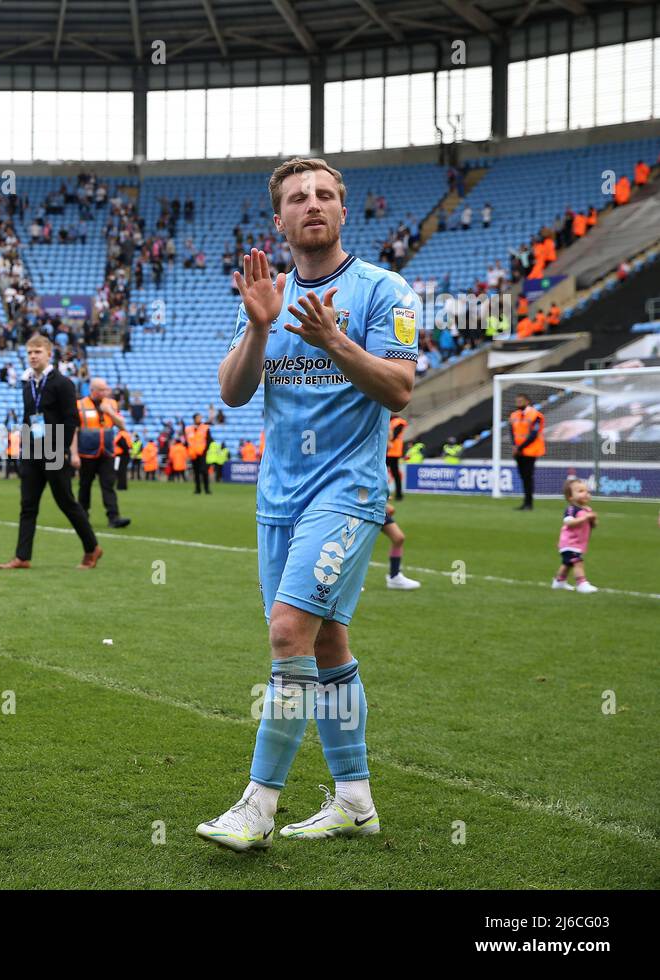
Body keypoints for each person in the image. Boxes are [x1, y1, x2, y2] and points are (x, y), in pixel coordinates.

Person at [198, 157, 418, 852]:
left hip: (347, 492)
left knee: (288, 634)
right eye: (298, 197)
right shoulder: (273, 291)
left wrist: (332, 339)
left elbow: (399, 389)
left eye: (325, 194)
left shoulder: (384, 289)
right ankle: (354, 798)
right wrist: (261, 328)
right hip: (278, 500)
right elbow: (232, 393)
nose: (312, 204)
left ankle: (258, 805)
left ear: (344, 211)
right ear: (280, 220)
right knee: (326, 643)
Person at [0, 333, 101, 570]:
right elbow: (27, 416)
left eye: (37, 352)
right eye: (29, 352)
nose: (32, 356)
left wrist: (62, 449)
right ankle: (22, 557)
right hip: (31, 451)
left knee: (66, 502)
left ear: (49, 354)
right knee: (27, 505)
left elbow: (71, 420)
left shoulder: (62, 383)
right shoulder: (28, 383)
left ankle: (92, 547)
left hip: (53, 450)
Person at [75, 377, 131, 528]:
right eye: (102, 390)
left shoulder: (111, 404)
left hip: (106, 453)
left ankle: (114, 517)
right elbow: (74, 430)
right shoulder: (80, 405)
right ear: (92, 390)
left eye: (106, 389)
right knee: (85, 485)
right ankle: (82, 516)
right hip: (86, 453)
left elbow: (122, 426)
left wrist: (110, 413)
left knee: (108, 485)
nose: (105, 392)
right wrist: (73, 454)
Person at [552, 478, 598, 594]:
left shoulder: (588, 509)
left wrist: (593, 520)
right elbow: (568, 522)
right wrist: (585, 518)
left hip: (577, 542)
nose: (586, 493)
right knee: (577, 562)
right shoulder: (572, 509)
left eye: (587, 491)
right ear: (570, 497)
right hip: (569, 542)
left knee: (567, 563)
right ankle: (581, 583)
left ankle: (559, 582)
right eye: (581, 491)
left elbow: (593, 525)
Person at [510, 392, 545, 510]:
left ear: (527, 401)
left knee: (528, 477)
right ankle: (525, 503)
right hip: (519, 452)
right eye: (517, 401)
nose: (518, 403)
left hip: (530, 451)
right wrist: (515, 446)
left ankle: (529, 503)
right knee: (523, 477)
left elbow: (534, 434)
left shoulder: (535, 415)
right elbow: (512, 432)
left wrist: (519, 447)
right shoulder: (514, 415)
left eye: (520, 401)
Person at [380, 503, 420, 590]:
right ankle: (349, 582)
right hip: (363, 506)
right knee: (358, 543)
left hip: (376, 506)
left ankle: (394, 577)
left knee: (398, 538)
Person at [185, 413, 211, 493]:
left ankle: (207, 489)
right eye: (198, 417)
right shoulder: (188, 429)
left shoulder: (205, 428)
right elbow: (187, 441)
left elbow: (209, 440)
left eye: (200, 417)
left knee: (204, 471)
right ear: (194, 419)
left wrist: (205, 450)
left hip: (202, 453)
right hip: (193, 454)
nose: (200, 419)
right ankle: (198, 489)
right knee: (196, 472)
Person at [386, 414, 407, 500]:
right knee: (395, 473)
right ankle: (398, 494)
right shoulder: (395, 421)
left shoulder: (398, 422)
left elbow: (394, 435)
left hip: (392, 450)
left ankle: (397, 494)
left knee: (389, 472)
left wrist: (389, 441)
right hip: (392, 451)